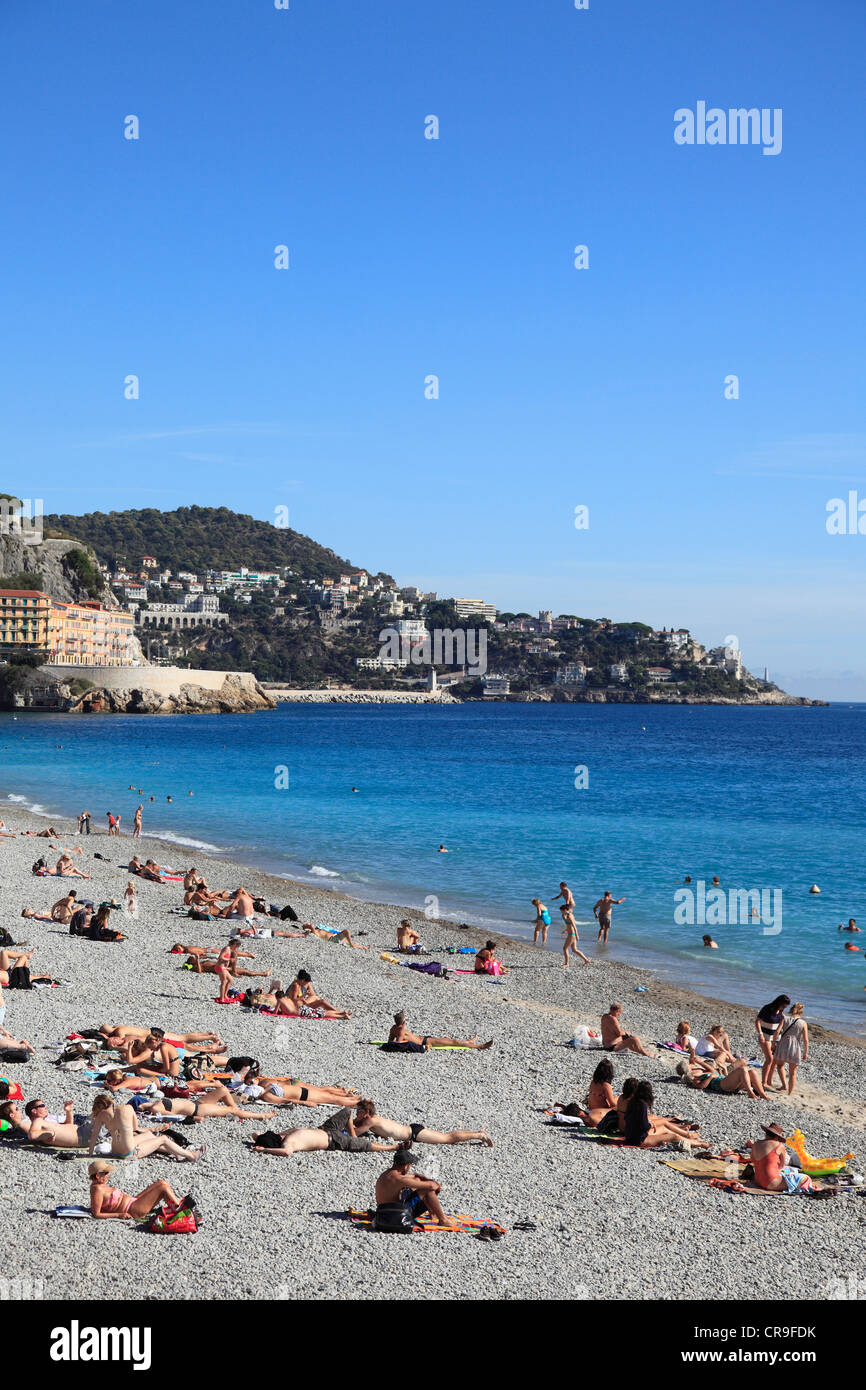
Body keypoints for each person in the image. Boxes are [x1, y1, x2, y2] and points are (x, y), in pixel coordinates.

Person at [251, 1100, 397, 1156]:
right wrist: (264, 1150)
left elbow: (255, 1134)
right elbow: (286, 1152)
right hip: (333, 1140)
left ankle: (353, 1135)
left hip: (325, 1129)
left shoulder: (285, 1135)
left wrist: (259, 1140)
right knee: (364, 1145)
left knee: (347, 1111)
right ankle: (391, 1148)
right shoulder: (288, 1142)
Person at [89, 1094, 204, 1161]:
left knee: (149, 1135)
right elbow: (135, 1128)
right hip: (129, 1153)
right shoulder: (128, 1108)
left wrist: (90, 1155)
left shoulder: (101, 1115)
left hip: (114, 1151)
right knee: (162, 1139)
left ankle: (178, 1153)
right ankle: (191, 1156)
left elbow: (94, 1135)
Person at [373, 1146, 460, 1230]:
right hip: (396, 1213)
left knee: (417, 1181)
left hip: (382, 1211)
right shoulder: (400, 1179)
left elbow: (413, 1176)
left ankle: (433, 1214)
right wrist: (436, 1184)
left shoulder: (387, 1174)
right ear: (406, 1166)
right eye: (410, 1165)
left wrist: (422, 1178)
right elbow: (431, 1186)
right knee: (428, 1190)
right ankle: (443, 1220)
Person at [89, 1160, 184, 1220]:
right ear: (97, 1176)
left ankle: (177, 1209)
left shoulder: (101, 1185)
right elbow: (96, 1213)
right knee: (163, 1188)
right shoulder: (97, 1189)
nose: (108, 1174)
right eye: (106, 1173)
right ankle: (182, 1212)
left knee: (162, 1183)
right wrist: (118, 1215)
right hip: (132, 1210)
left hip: (133, 1202)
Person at [2, 1098, 94, 1148]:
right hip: (81, 1130)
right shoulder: (24, 1124)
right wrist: (48, 1134)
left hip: (79, 1129)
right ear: (12, 1115)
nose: (45, 1107)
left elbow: (67, 1127)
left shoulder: (34, 1121)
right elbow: (32, 1135)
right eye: (16, 1109)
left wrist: (68, 1112)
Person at [749, 1123, 813, 1194]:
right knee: (806, 1178)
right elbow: (781, 1166)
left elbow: (752, 1160)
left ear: (766, 1133)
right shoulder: (779, 1146)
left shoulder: (755, 1144)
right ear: (777, 1137)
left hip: (757, 1181)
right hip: (771, 1183)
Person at [387, 1011, 492, 1050]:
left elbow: (390, 1041)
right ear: (403, 1022)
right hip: (426, 1042)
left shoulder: (393, 1028)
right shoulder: (401, 1030)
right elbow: (398, 1044)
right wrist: (410, 1043)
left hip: (424, 1039)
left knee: (448, 1039)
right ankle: (480, 1046)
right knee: (453, 1042)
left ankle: (469, 1042)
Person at [676, 1055, 769, 1099]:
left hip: (724, 1080)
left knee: (752, 1071)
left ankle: (762, 1094)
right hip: (721, 1085)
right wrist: (710, 1077)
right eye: (689, 1066)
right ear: (687, 1069)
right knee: (742, 1069)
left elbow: (713, 1071)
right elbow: (701, 1086)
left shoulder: (697, 1072)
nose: (691, 1065)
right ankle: (750, 1093)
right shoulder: (693, 1078)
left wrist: (701, 1062)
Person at [769, 1002, 809, 1095]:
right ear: (801, 1012)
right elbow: (806, 1040)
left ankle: (784, 1085)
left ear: (792, 1009)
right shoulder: (803, 1023)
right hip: (795, 1046)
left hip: (783, 1043)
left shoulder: (785, 1019)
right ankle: (790, 1093)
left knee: (780, 1065)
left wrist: (773, 1043)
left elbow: (777, 1032)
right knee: (793, 1072)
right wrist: (805, 1052)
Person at [280, 970, 350, 1019]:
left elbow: (296, 998)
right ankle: (338, 1012)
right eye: (306, 982)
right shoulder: (296, 986)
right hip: (300, 1007)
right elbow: (294, 999)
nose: (306, 984)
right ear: (302, 980)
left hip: (302, 1004)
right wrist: (304, 995)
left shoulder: (297, 984)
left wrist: (303, 999)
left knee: (316, 998)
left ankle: (338, 1012)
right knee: (322, 1002)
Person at [755, 994, 791, 1084]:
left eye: (785, 1007)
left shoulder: (781, 1011)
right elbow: (757, 1021)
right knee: (769, 1059)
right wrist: (760, 1034)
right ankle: (764, 1082)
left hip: (775, 1038)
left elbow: (782, 1020)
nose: (784, 1008)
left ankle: (769, 1081)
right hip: (765, 1036)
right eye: (783, 1006)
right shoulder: (767, 1008)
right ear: (779, 1002)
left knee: (774, 1060)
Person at [559, 905, 590, 969]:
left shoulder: (570, 916)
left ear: (565, 910)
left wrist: (577, 935)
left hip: (572, 934)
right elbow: (568, 925)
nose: (561, 912)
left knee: (565, 948)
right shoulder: (564, 915)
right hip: (570, 933)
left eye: (561, 911)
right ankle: (586, 960)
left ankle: (567, 963)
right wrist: (566, 930)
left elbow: (574, 926)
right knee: (574, 949)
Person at [301, 923, 369, 950]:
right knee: (347, 931)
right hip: (332, 938)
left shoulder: (318, 930)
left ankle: (362, 947)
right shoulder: (315, 932)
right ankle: (355, 945)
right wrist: (305, 926)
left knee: (348, 942)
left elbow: (311, 926)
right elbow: (311, 925)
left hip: (335, 936)